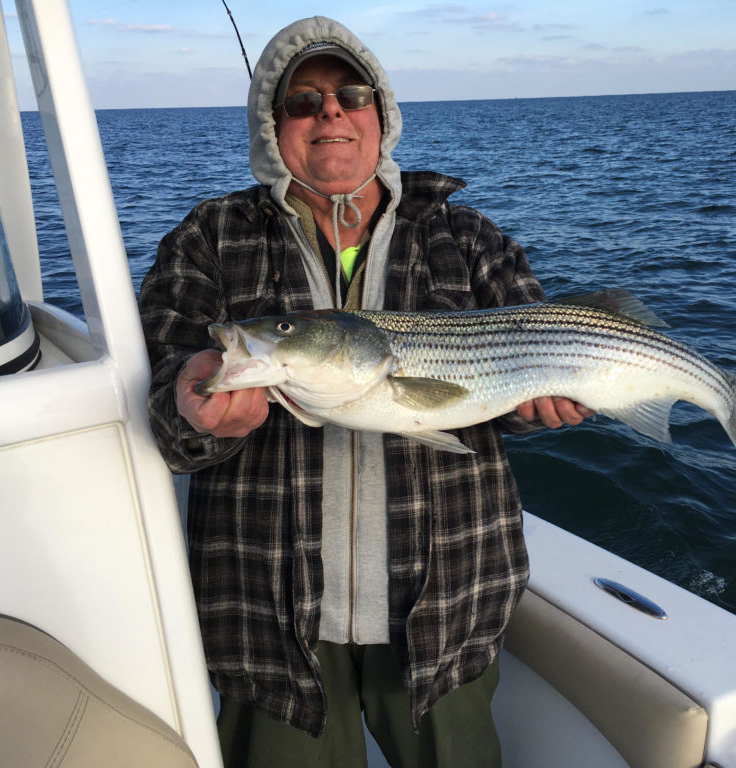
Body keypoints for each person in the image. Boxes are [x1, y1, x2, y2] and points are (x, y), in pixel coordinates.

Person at [138, 15, 588, 768]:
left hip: (446, 604)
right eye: (303, 102)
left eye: (351, 94)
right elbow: (159, 392)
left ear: (382, 115)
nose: (331, 115)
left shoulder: (468, 237)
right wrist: (189, 407)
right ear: (270, 125)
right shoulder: (209, 236)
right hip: (265, 620)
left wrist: (542, 409)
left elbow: (518, 384)